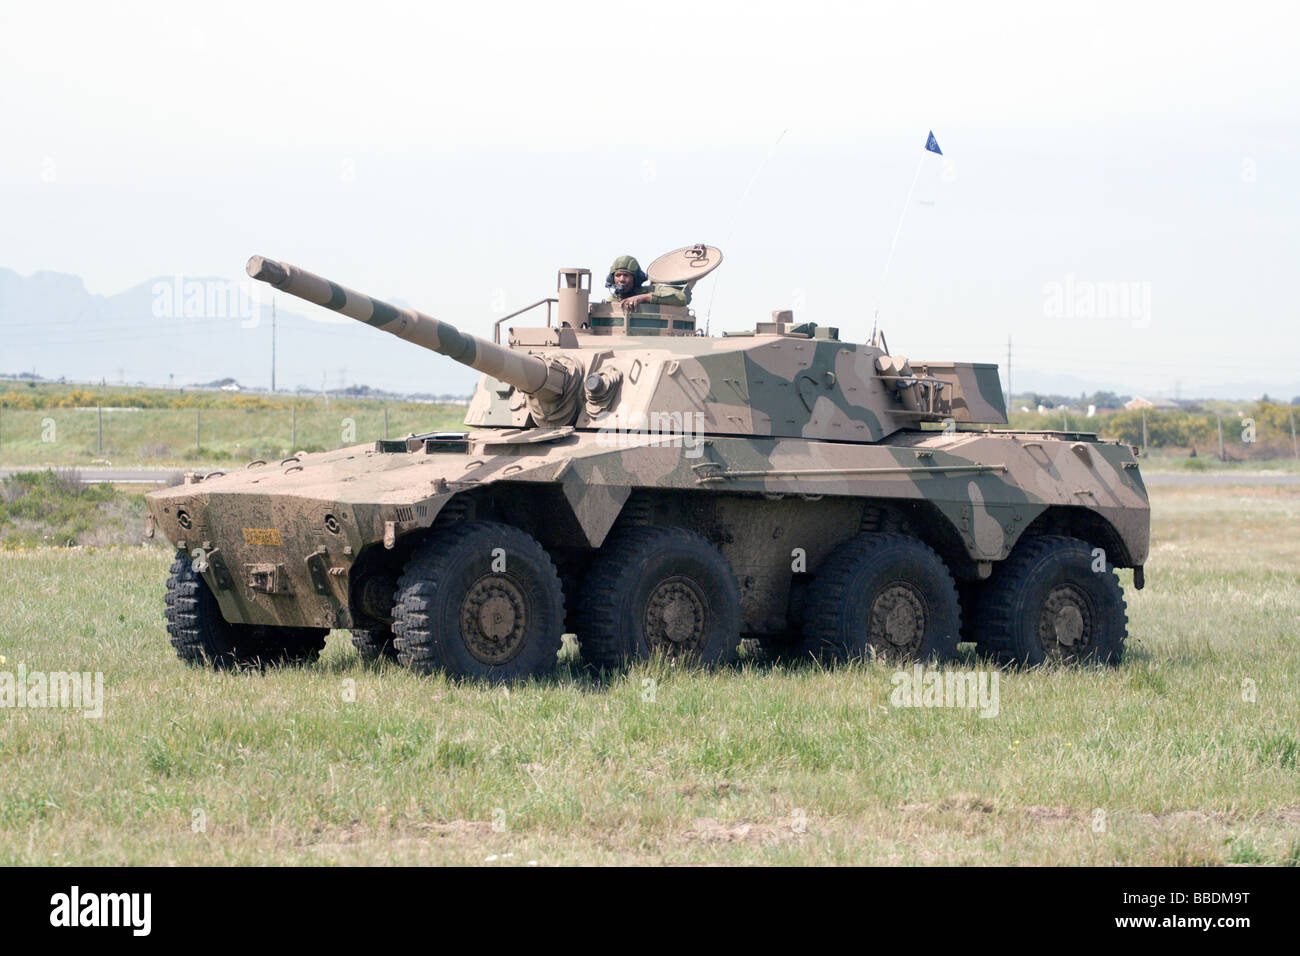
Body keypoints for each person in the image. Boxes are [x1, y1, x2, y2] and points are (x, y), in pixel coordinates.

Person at [605, 255, 691, 311]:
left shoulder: (651, 291)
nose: (621, 279)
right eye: (618, 275)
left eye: (626, 275)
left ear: (635, 278)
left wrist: (644, 298)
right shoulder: (611, 300)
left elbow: (682, 298)